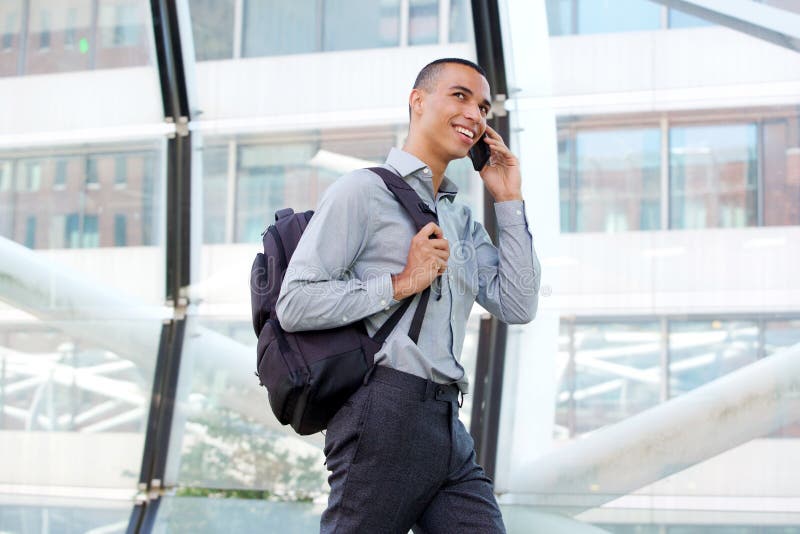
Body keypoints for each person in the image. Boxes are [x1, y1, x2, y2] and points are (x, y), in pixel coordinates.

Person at [276, 57, 541, 534]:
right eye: (459, 96)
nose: (475, 115)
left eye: (483, 107)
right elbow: (295, 304)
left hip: (446, 422)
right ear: (418, 101)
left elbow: (518, 303)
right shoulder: (363, 191)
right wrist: (402, 282)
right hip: (385, 412)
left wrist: (508, 199)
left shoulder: (460, 221)